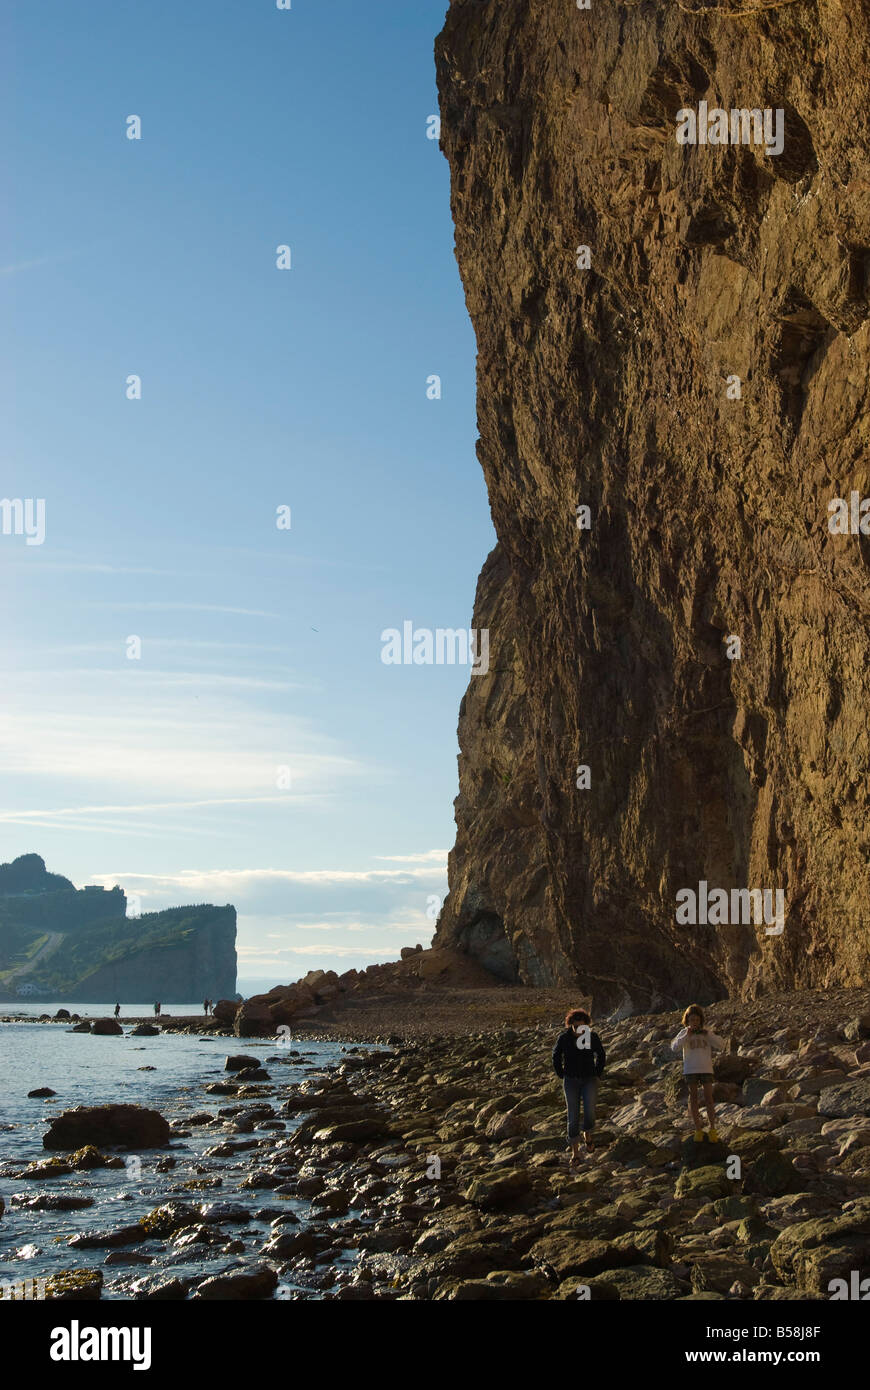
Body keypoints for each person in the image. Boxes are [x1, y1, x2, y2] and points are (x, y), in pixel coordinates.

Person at [552, 1008, 606, 1166]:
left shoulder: (591, 1037)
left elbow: (601, 1055)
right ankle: (575, 1152)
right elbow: (556, 1055)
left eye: (583, 1026)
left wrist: (598, 1073)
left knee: (590, 1111)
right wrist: (560, 1073)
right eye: (576, 1027)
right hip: (571, 1080)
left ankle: (587, 1135)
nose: (579, 1030)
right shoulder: (564, 1038)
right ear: (571, 1025)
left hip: (589, 1079)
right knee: (572, 1116)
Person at [671, 1004, 725, 1142]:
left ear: (701, 1020)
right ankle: (698, 1130)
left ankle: (712, 1128)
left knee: (709, 1098)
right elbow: (674, 1047)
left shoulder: (706, 1032)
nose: (694, 1022)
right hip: (690, 1069)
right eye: (692, 1020)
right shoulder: (684, 1032)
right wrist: (686, 1036)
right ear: (687, 1020)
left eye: (696, 1020)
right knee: (693, 1098)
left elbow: (721, 1044)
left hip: (706, 1068)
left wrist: (709, 1035)